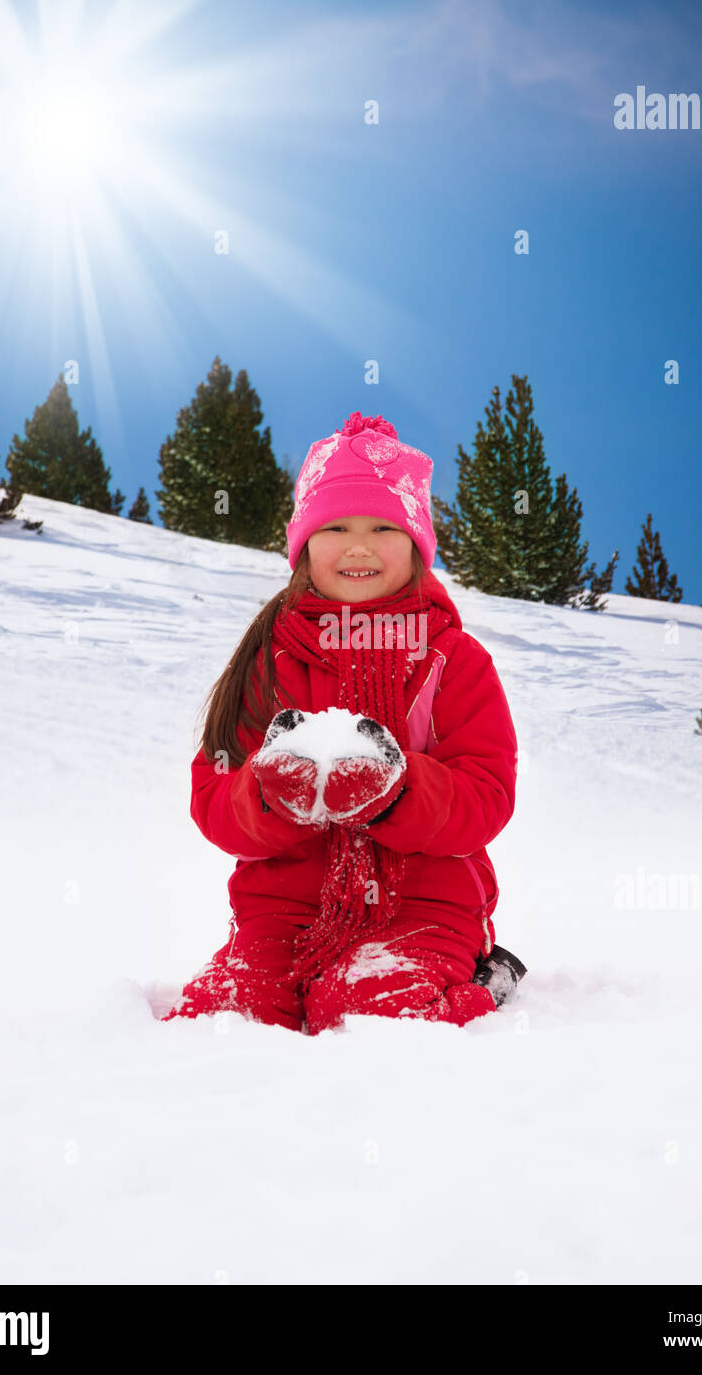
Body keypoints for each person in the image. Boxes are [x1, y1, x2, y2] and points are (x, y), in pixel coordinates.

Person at [161, 412, 525, 1035]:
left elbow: (486, 796)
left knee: (371, 1013)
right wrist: (270, 794)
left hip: (424, 908)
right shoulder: (269, 660)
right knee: (225, 1017)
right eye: (335, 527)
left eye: (384, 526)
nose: (359, 546)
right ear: (304, 545)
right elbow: (215, 799)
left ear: (417, 544)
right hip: (282, 914)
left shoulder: (454, 660)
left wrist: (398, 790)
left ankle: (484, 988)